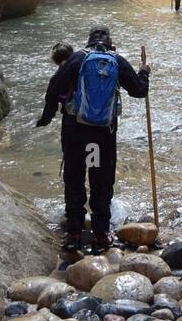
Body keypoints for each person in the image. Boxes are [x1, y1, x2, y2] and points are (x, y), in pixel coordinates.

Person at [36, 24, 150, 254]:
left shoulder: (77, 59)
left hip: (75, 132)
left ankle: (74, 232)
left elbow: (53, 88)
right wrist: (144, 72)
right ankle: (100, 235)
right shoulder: (116, 60)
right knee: (101, 179)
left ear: (88, 40)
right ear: (110, 41)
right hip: (102, 135)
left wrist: (47, 118)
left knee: (74, 177)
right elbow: (139, 91)